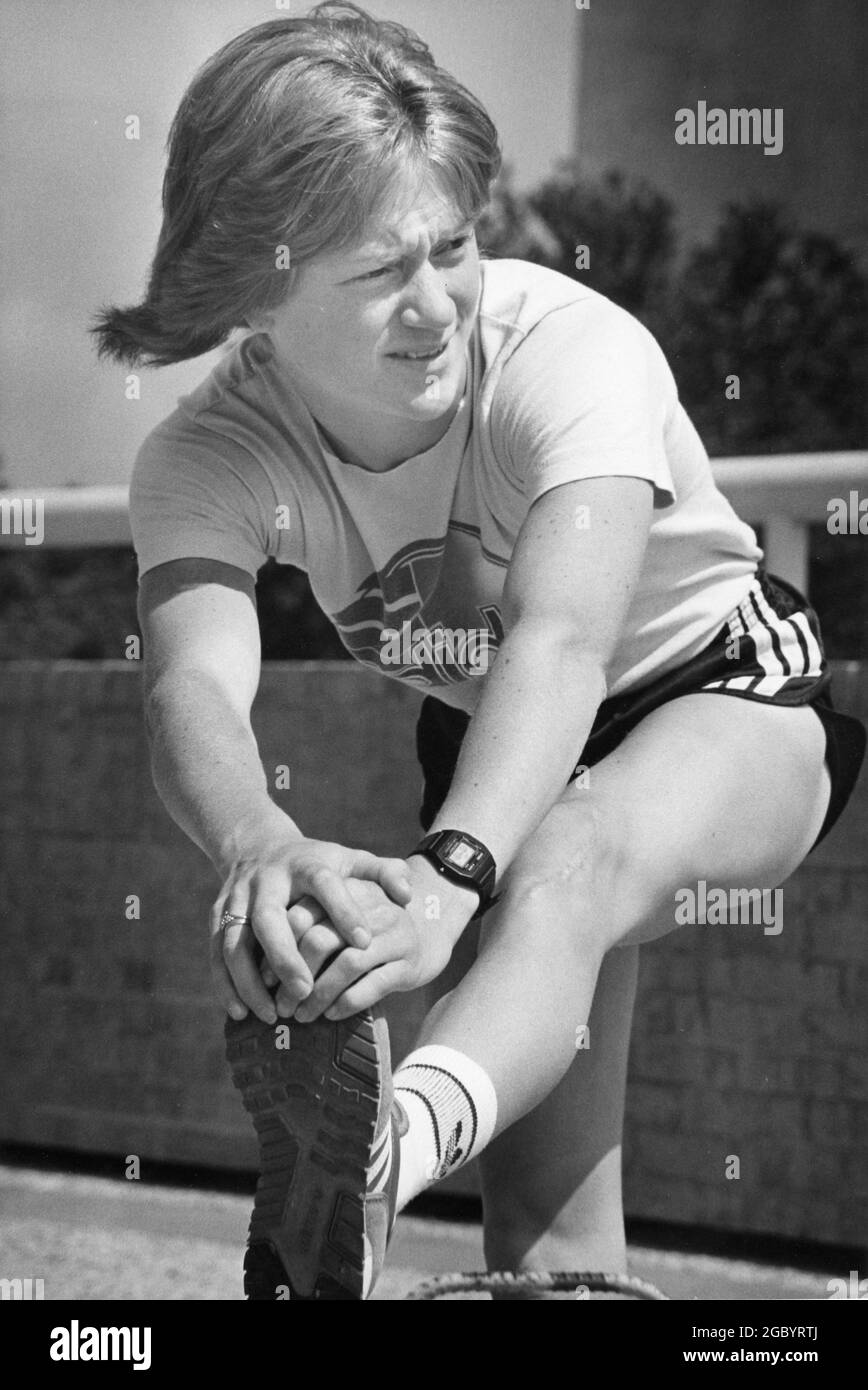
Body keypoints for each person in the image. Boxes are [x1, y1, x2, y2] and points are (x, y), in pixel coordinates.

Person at [92, 3, 866, 1301]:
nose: (435, 304)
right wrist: (258, 847)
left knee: (565, 850)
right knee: (552, 1266)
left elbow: (564, 643)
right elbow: (191, 684)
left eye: (451, 247)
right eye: (380, 273)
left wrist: (453, 871)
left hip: (722, 685)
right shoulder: (208, 453)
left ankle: (371, 1168)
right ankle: (399, 1197)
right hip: (492, 741)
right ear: (256, 291)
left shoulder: (571, 351)